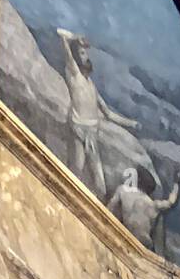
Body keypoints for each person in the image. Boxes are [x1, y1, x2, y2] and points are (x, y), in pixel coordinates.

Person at [56, 28, 140, 200]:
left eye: (86, 54)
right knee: (76, 171)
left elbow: (108, 114)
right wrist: (73, 38)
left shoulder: (91, 86)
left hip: (92, 134)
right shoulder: (74, 75)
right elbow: (63, 41)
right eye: (82, 54)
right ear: (76, 57)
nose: (86, 57)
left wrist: (131, 124)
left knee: (100, 183)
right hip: (78, 129)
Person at [108, 166, 180, 254]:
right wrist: (176, 183)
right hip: (143, 244)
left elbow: (110, 207)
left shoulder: (122, 190)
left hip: (125, 234)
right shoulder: (153, 204)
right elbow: (171, 202)